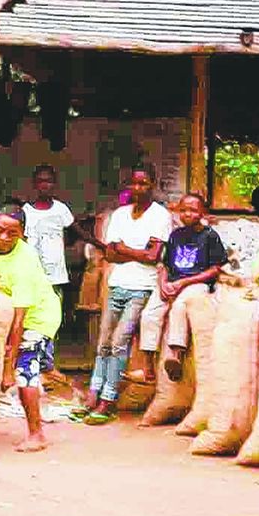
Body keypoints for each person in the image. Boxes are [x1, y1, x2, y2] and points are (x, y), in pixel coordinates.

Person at [75, 166, 173, 425]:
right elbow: (110, 254)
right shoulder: (119, 214)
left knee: (119, 342)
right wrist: (136, 252)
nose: (138, 188)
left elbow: (153, 258)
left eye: (144, 184)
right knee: (103, 342)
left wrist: (124, 249)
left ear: (153, 185)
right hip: (117, 283)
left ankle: (107, 401)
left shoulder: (160, 216)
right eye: (134, 184)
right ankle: (93, 396)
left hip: (142, 287)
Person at [0, 208, 62, 452]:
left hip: (37, 316)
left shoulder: (25, 261)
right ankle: (51, 370)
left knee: (24, 372)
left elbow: (20, 321)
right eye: (0, 230)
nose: (4, 237)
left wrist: (7, 369)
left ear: (22, 234)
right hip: (7, 310)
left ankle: (37, 434)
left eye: (12, 233)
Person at [132, 193, 227, 383]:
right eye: (183, 210)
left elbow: (216, 269)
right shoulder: (176, 235)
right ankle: (148, 367)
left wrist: (183, 283)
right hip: (172, 283)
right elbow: (165, 265)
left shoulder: (210, 236)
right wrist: (163, 284)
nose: (187, 214)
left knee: (179, 308)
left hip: (196, 284)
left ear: (203, 212)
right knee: (150, 314)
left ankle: (175, 355)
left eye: (193, 210)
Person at [23, 164, 76, 296]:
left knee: (55, 312)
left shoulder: (61, 209)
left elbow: (77, 231)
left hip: (56, 275)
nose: (45, 185)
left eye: (49, 181)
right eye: (41, 181)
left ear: (54, 184)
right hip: (32, 274)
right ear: (34, 184)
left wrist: (102, 246)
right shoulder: (25, 211)